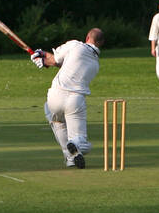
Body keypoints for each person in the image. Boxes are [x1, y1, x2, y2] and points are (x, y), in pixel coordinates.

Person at [30, 28, 104, 168]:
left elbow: (56, 60)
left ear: (87, 37)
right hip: (75, 101)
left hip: (55, 95)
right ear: (101, 43)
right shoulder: (95, 64)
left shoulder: (75, 45)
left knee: (55, 119)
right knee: (79, 139)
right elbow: (67, 65)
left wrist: (43, 56)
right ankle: (76, 145)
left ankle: (70, 156)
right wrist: (44, 57)